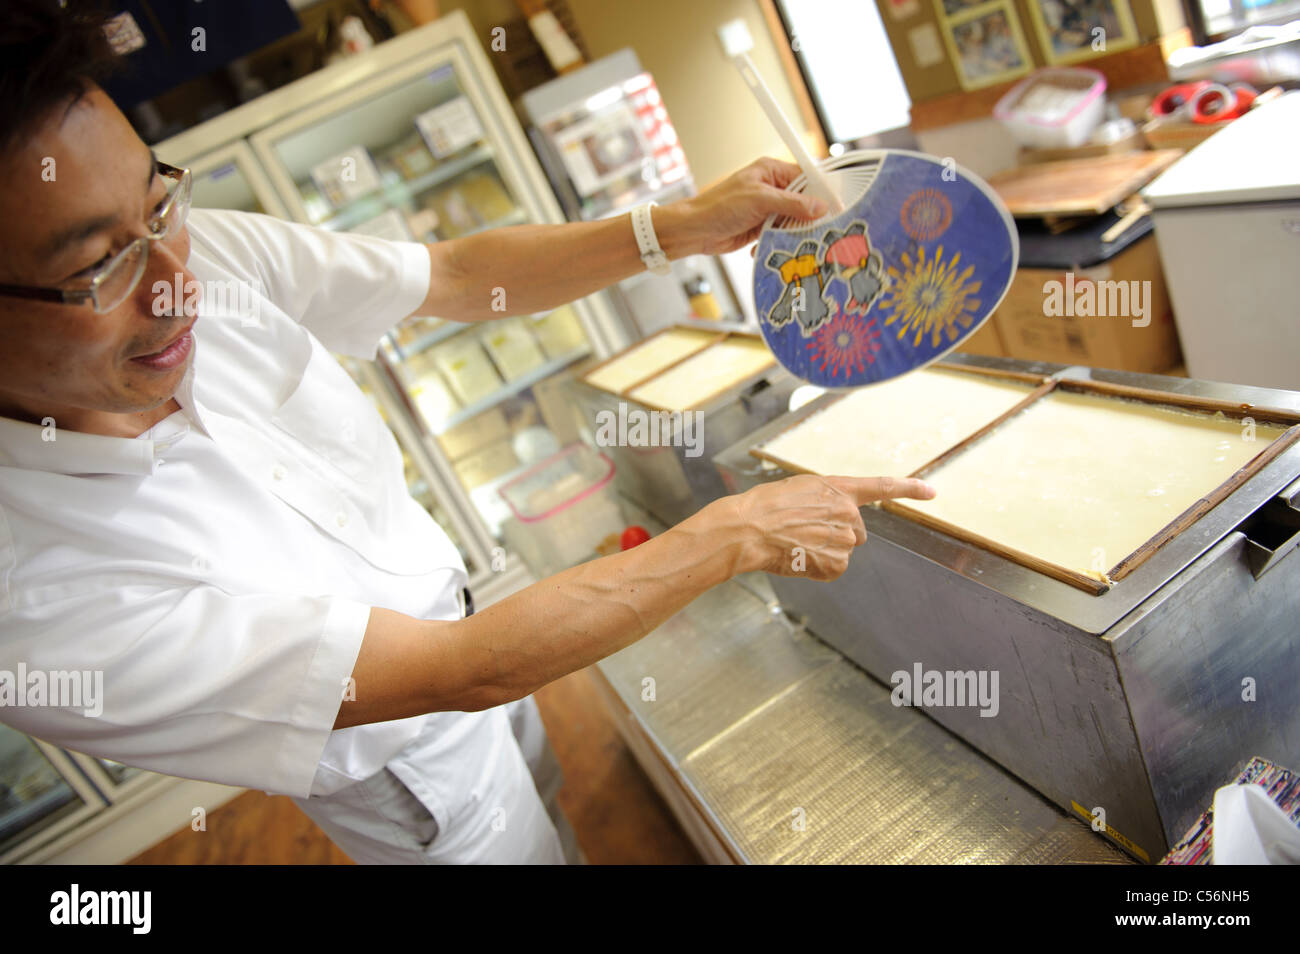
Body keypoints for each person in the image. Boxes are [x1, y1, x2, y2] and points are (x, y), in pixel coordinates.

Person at [0, 1, 935, 864]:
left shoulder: (208, 252)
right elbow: (458, 673)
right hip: (419, 772)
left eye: (160, 202)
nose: (178, 282)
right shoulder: (35, 605)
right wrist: (737, 530)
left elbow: (450, 276)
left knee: (557, 809)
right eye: (100, 265)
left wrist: (675, 228)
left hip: (481, 627)